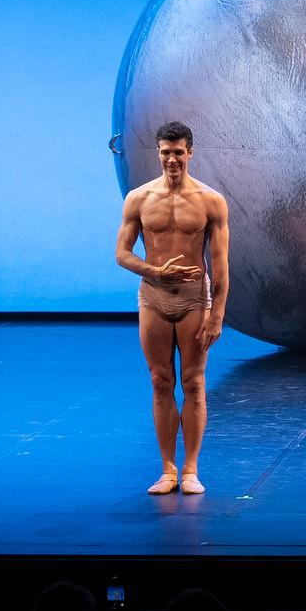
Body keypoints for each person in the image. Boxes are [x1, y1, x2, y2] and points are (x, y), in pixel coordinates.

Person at [115, 121, 231, 495]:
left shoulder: (211, 201)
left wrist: (217, 315)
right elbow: (121, 254)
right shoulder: (139, 199)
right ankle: (167, 469)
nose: (172, 159)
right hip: (154, 298)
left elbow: (221, 264)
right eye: (165, 152)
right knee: (160, 380)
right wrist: (155, 272)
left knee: (193, 381)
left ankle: (191, 469)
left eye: (178, 152)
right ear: (158, 153)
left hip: (195, 299)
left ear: (190, 153)